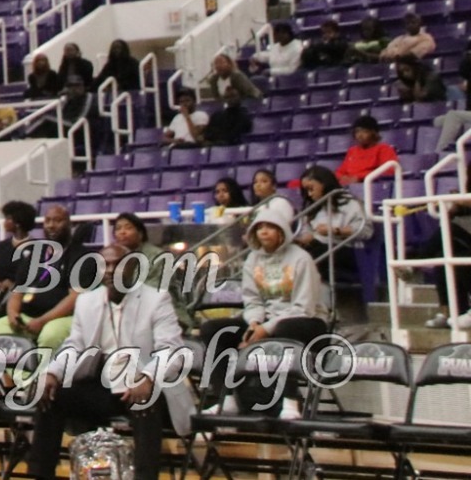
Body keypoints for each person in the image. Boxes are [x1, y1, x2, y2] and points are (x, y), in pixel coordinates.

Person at [31, 244, 195, 480]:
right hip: (101, 383)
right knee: (51, 395)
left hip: (145, 384)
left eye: (117, 264)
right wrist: (51, 373)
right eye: (105, 265)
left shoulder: (156, 299)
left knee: (144, 402)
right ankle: (40, 474)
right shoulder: (87, 301)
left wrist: (147, 378)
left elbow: (172, 350)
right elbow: (74, 345)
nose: (110, 270)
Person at [203, 218, 329, 414]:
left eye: (270, 226)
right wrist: (254, 324)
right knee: (213, 329)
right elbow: (252, 300)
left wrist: (266, 329)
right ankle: (225, 398)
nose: (264, 231)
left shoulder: (301, 258)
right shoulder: (252, 260)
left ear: (282, 231)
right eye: (259, 228)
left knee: (285, 328)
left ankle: (290, 401)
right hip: (266, 320)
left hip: (308, 323)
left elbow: (304, 307)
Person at [0, 203, 85, 350]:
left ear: (69, 224)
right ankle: (15, 373)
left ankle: (45, 373)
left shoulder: (80, 255)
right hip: (28, 317)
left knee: (50, 334)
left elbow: (74, 297)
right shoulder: (34, 253)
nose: (51, 225)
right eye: (47, 221)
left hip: (63, 318)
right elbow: (17, 291)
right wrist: (13, 314)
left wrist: (42, 321)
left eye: (58, 220)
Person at [335, 114, 398, 186]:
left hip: (372, 187)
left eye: (364, 131)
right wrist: (343, 178)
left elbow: (389, 171)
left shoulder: (384, 149)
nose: (360, 135)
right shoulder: (352, 151)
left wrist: (359, 177)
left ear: (373, 133)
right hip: (349, 186)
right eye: (357, 132)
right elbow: (340, 172)